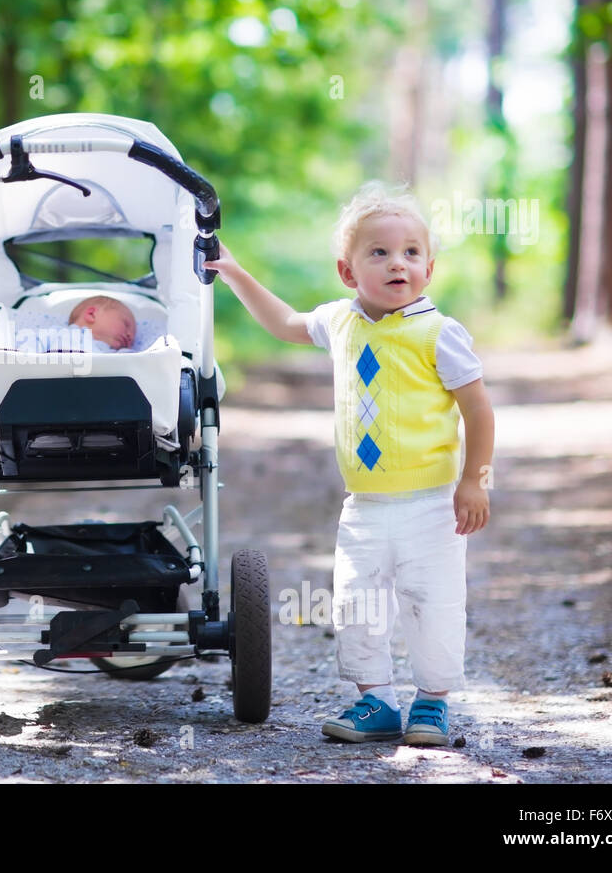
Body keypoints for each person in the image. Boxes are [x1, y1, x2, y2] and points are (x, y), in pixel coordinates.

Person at [204, 181, 494, 746]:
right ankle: (376, 701)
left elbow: (479, 412)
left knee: (433, 603)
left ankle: (431, 702)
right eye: (379, 253)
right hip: (363, 506)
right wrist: (235, 273)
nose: (397, 264)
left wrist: (473, 482)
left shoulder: (439, 333)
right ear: (348, 271)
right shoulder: (340, 321)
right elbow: (285, 323)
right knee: (357, 603)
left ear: (429, 270)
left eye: (411, 253)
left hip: (433, 504)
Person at [68, 295, 137, 350]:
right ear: (91, 314)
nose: (130, 336)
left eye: (133, 334)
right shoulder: (63, 336)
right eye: (126, 324)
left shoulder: (120, 355)